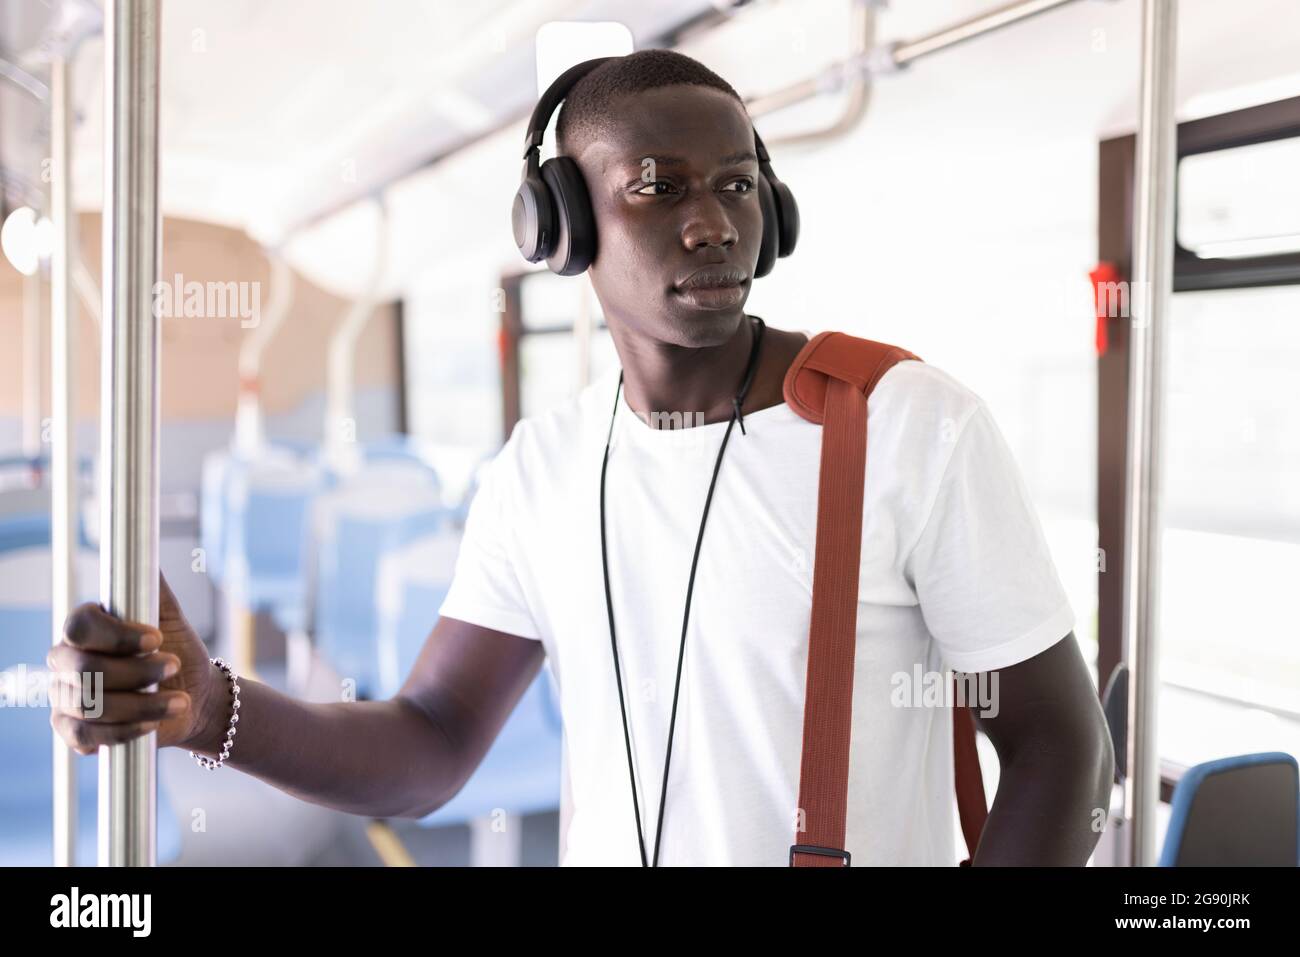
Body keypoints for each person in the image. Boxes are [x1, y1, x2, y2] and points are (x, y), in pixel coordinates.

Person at [49, 49, 1112, 866]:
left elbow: (1062, 749)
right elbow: (431, 741)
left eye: (738, 187)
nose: (711, 224)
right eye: (658, 188)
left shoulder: (908, 427)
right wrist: (214, 712)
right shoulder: (539, 472)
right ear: (560, 228)